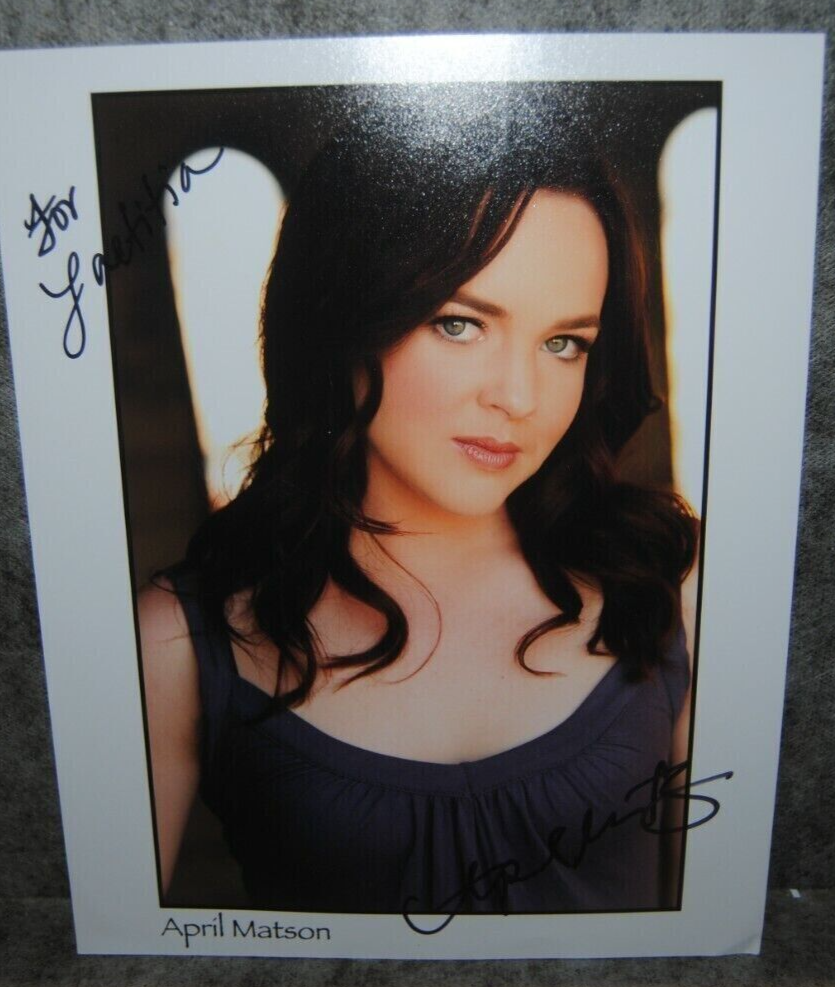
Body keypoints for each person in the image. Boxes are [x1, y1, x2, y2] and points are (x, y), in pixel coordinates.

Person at [138, 102, 699, 917]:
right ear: (344, 315)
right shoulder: (180, 641)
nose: (519, 397)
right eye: (460, 323)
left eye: (564, 343)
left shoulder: (672, 585)